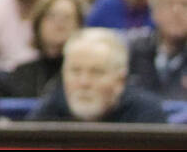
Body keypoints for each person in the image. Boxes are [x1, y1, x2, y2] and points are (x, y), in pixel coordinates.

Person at [27, 28, 166, 123]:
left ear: (120, 80)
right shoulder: (47, 114)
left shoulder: (146, 117)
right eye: (75, 71)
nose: (84, 82)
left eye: (96, 72)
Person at [0, 0, 84, 99]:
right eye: (52, 16)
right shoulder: (22, 73)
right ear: (38, 24)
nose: (59, 22)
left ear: (79, 26)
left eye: (67, 17)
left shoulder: (83, 74)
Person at [127, 0, 187, 100]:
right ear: (153, 9)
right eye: (168, 3)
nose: (176, 11)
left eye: (185, 4)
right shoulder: (132, 50)